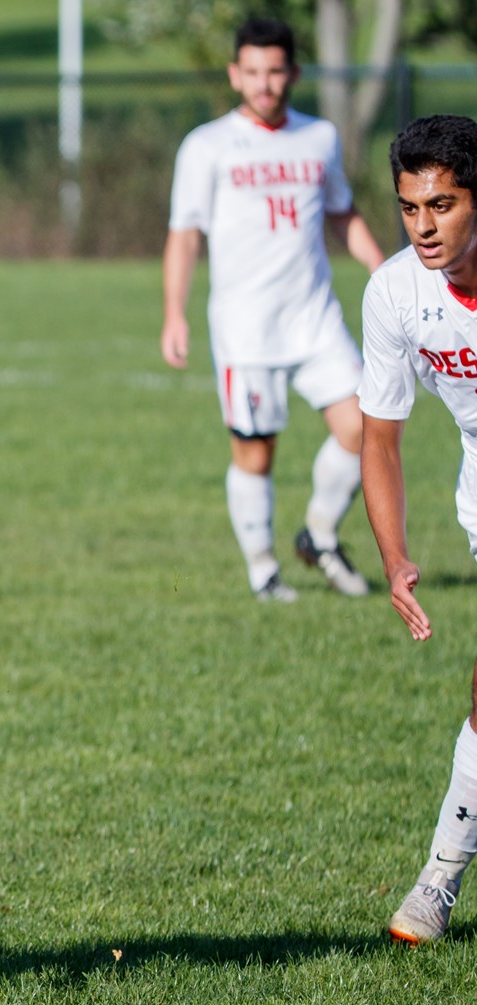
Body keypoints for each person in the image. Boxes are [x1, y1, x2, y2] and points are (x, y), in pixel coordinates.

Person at [161, 17, 385, 601]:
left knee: (367, 428)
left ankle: (317, 534)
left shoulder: (319, 137)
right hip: (246, 330)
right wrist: (175, 313)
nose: (265, 84)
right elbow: (185, 235)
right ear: (236, 74)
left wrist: (383, 269)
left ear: (294, 73)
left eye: (276, 70)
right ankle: (263, 569)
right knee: (256, 452)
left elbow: (342, 211)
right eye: (253, 72)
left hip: (315, 318)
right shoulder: (206, 145)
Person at [360, 114, 477, 945]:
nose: (424, 226)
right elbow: (381, 437)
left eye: (443, 205)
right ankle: (443, 872)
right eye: (410, 208)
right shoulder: (396, 292)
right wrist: (395, 556)